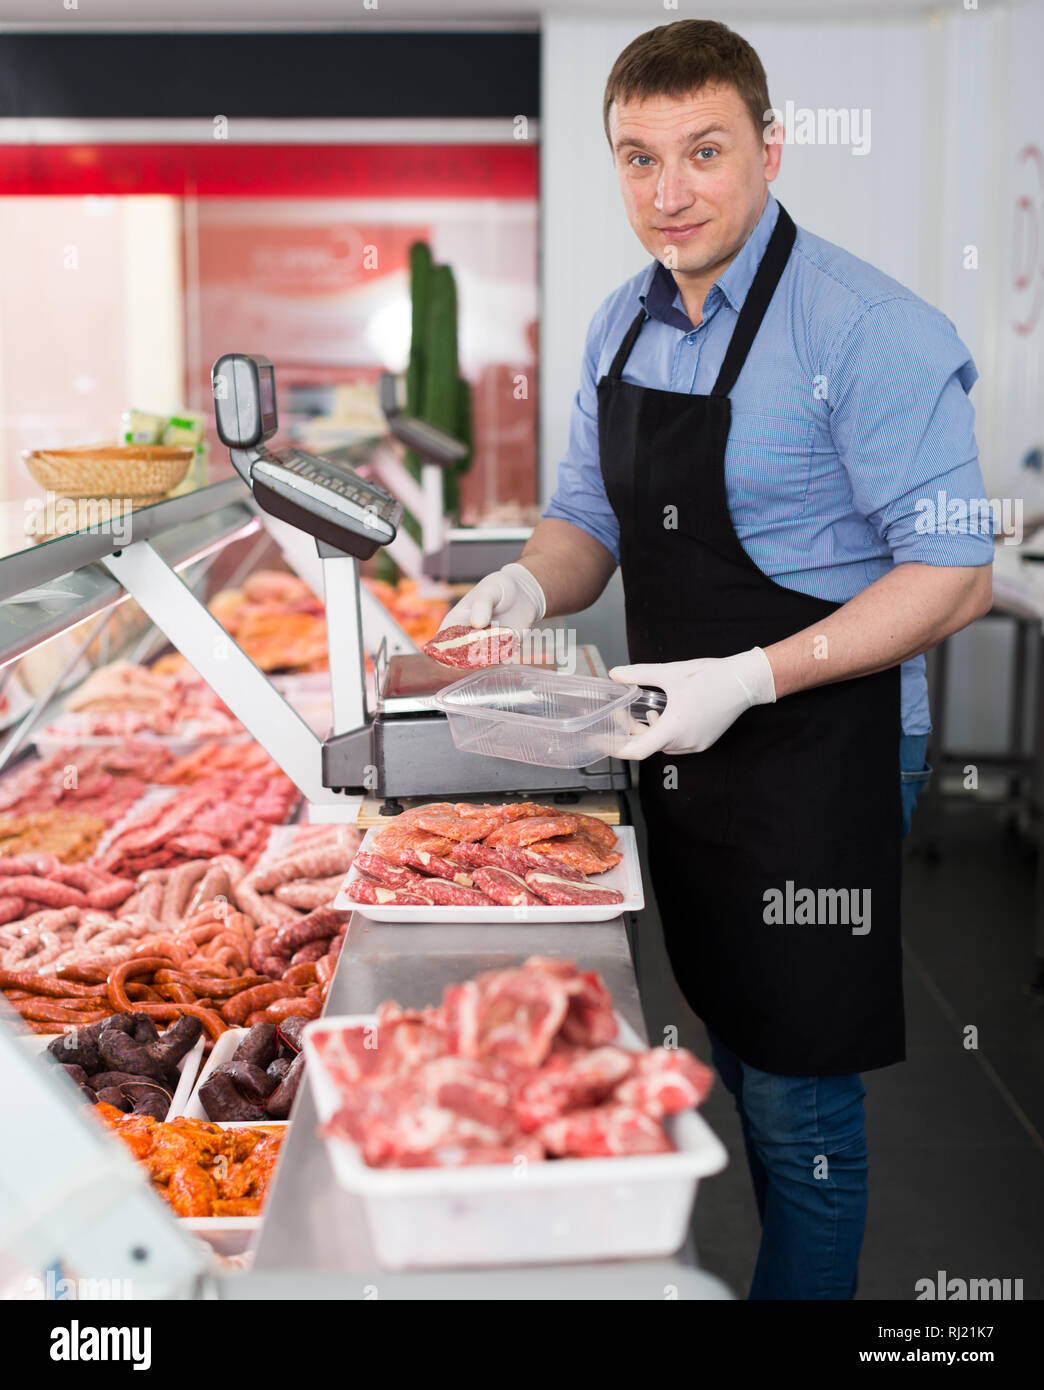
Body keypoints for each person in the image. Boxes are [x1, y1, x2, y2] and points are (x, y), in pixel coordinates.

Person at [437, 19, 994, 1298]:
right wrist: (520, 583)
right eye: (637, 158)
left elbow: (956, 574)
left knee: (801, 1100)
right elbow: (585, 523)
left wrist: (747, 678)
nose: (667, 191)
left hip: (822, 747)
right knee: (737, 1045)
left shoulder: (867, 329)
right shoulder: (618, 327)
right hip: (678, 745)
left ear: (768, 147)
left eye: (702, 151)